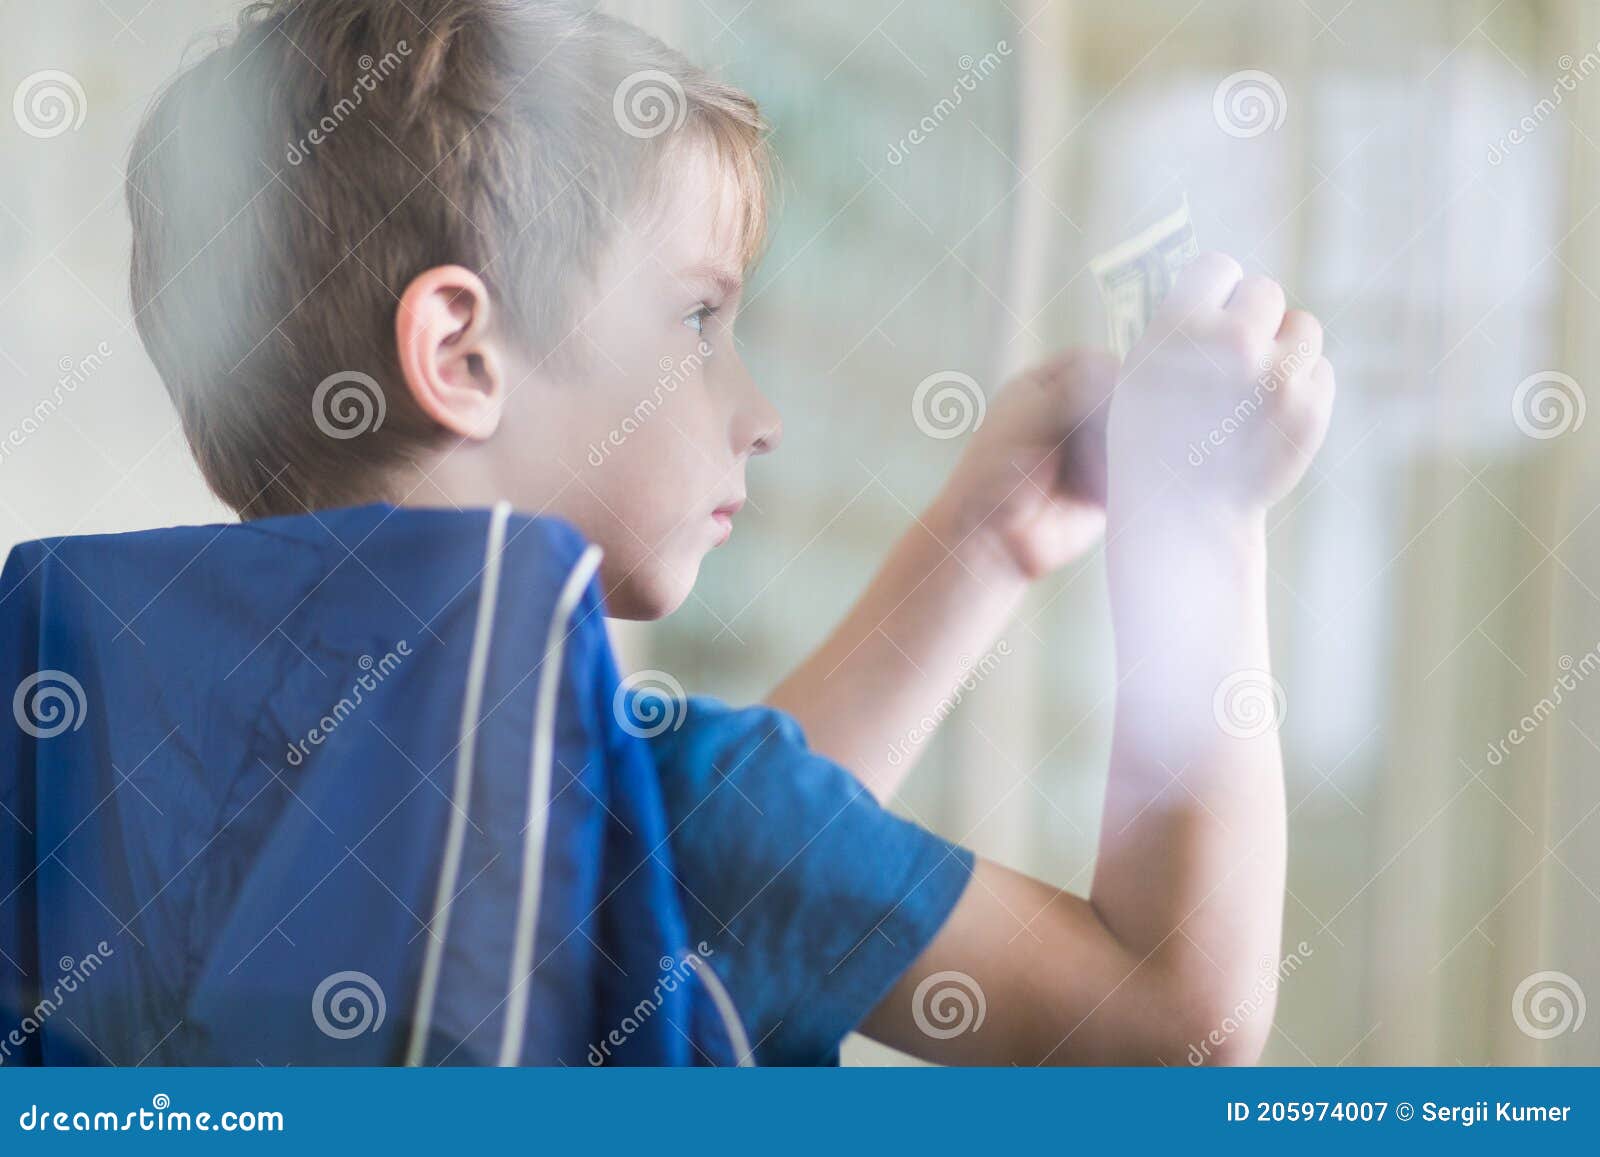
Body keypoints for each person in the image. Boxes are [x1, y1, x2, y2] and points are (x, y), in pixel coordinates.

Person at [1, 0, 1334, 1066]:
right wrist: (1198, 527)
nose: (755, 412)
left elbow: (687, 894)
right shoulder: (673, 801)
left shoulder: (99, 767)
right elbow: (1175, 1025)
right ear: (461, 351)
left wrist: (976, 546)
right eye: (699, 319)